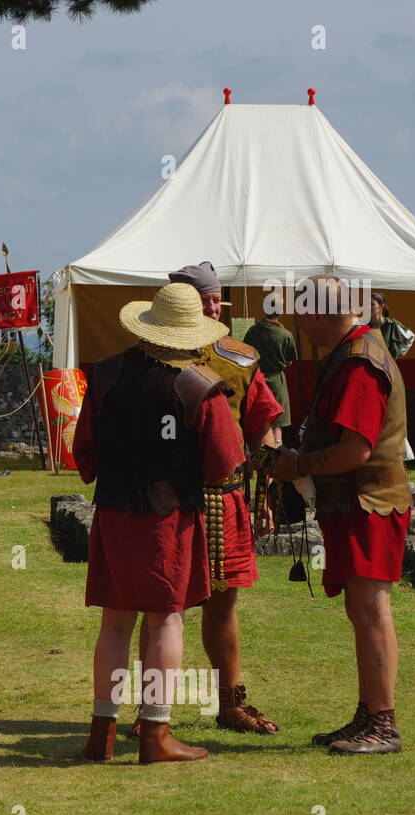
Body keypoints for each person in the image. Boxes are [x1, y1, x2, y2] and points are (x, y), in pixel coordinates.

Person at [73, 282, 244, 764]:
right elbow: (225, 461)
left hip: (113, 510)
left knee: (114, 622)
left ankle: (101, 734)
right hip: (169, 518)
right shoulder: (199, 385)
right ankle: (156, 733)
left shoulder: (105, 375)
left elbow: (84, 451)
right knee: (167, 619)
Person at [130, 261, 284, 735]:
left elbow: (264, 425)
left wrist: (270, 481)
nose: (215, 308)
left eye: (217, 300)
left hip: (224, 500)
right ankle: (151, 713)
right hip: (166, 500)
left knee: (223, 606)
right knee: (161, 609)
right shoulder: (141, 359)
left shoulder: (240, 356)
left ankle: (230, 703)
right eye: (205, 301)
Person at [274, 276, 412, 755]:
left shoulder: (359, 361)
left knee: (371, 609)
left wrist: (297, 465)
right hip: (358, 501)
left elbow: (355, 448)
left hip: (367, 501)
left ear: (319, 313)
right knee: (362, 609)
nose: (297, 321)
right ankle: (368, 716)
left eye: (301, 312)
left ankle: (382, 724)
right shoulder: (354, 352)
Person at [243, 310, 297, 442]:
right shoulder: (286, 334)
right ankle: (276, 456)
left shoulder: (252, 331)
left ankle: (260, 460)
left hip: (257, 379)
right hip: (277, 381)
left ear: (264, 310)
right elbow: (289, 361)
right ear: (280, 312)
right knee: (277, 423)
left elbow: (245, 353)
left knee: (257, 420)